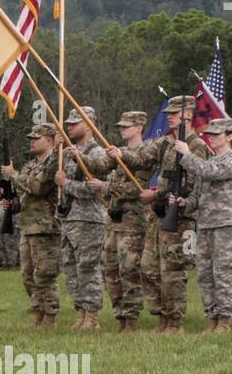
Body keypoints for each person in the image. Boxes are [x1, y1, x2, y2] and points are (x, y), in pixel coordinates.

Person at [107, 95, 209, 334]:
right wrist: (121, 155)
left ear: (187, 115)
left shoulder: (196, 146)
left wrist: (157, 194)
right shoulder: (164, 143)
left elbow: (194, 183)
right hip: (157, 217)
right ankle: (161, 316)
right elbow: (142, 157)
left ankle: (175, 322)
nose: (169, 117)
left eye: (173, 114)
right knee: (149, 269)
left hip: (180, 218)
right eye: (169, 114)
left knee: (172, 271)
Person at [175, 118, 232, 333]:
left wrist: (187, 155)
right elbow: (197, 196)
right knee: (205, 275)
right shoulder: (208, 162)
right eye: (210, 134)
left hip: (227, 225)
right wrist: (183, 204)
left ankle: (225, 320)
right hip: (205, 225)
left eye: (217, 134)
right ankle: (213, 318)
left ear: (230, 137)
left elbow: (211, 172)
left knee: (223, 274)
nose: (211, 137)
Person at [94, 111, 151, 332]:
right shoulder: (118, 152)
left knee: (130, 271)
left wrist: (105, 187)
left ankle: (132, 318)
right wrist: (76, 155)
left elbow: (137, 188)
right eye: (121, 125)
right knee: (111, 270)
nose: (122, 129)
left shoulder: (145, 154)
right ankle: (120, 315)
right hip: (113, 222)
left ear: (139, 127)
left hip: (132, 223)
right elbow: (98, 165)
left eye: (127, 126)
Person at [3, 124, 61, 327]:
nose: (32, 140)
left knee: (44, 273)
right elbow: (25, 192)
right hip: (28, 225)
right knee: (27, 274)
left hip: (46, 225)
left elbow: (38, 187)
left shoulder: (54, 162)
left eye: (37, 137)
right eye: (31, 137)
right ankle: (38, 312)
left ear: (50, 140)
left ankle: (50, 315)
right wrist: (14, 203)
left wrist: (13, 175)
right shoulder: (30, 165)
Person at [59, 106, 108, 330]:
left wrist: (65, 184)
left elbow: (91, 190)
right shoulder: (69, 152)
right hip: (70, 219)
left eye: (74, 123)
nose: (69, 126)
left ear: (88, 125)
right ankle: (80, 311)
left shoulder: (96, 154)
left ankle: (92, 315)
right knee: (70, 268)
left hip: (89, 219)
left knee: (88, 268)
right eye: (68, 123)